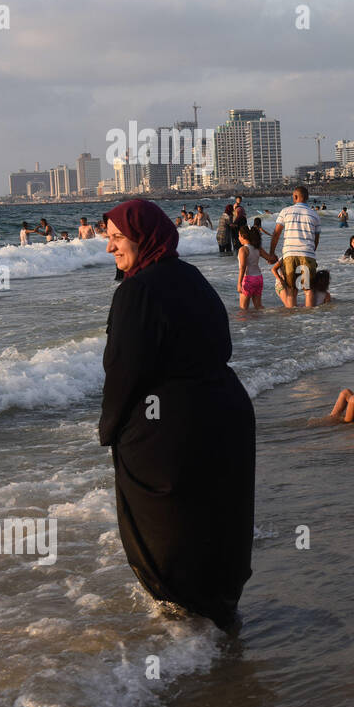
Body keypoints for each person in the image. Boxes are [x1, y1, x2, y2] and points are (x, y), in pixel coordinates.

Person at [98, 200, 254, 631]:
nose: (109, 247)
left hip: (169, 427)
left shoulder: (137, 290)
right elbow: (221, 345)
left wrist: (109, 429)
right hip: (225, 412)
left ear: (141, 236)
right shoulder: (190, 276)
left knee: (168, 529)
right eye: (107, 238)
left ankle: (187, 637)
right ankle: (221, 618)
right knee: (218, 517)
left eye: (116, 237)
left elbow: (125, 368)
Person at [269, 186, 321, 298]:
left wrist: (271, 253)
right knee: (308, 289)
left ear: (295, 196)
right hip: (307, 254)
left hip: (289, 255)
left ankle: (293, 314)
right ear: (307, 198)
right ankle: (310, 314)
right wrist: (310, 251)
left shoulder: (285, 212)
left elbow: (276, 234)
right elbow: (316, 239)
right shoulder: (314, 214)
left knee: (292, 289)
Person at [235, 226, 270, 310]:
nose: (238, 237)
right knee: (258, 307)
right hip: (258, 278)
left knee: (243, 309)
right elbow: (270, 258)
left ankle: (246, 323)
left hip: (248, 279)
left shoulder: (243, 249)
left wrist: (239, 283)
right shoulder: (257, 248)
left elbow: (242, 267)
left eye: (239, 235)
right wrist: (274, 257)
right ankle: (264, 321)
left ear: (243, 236)